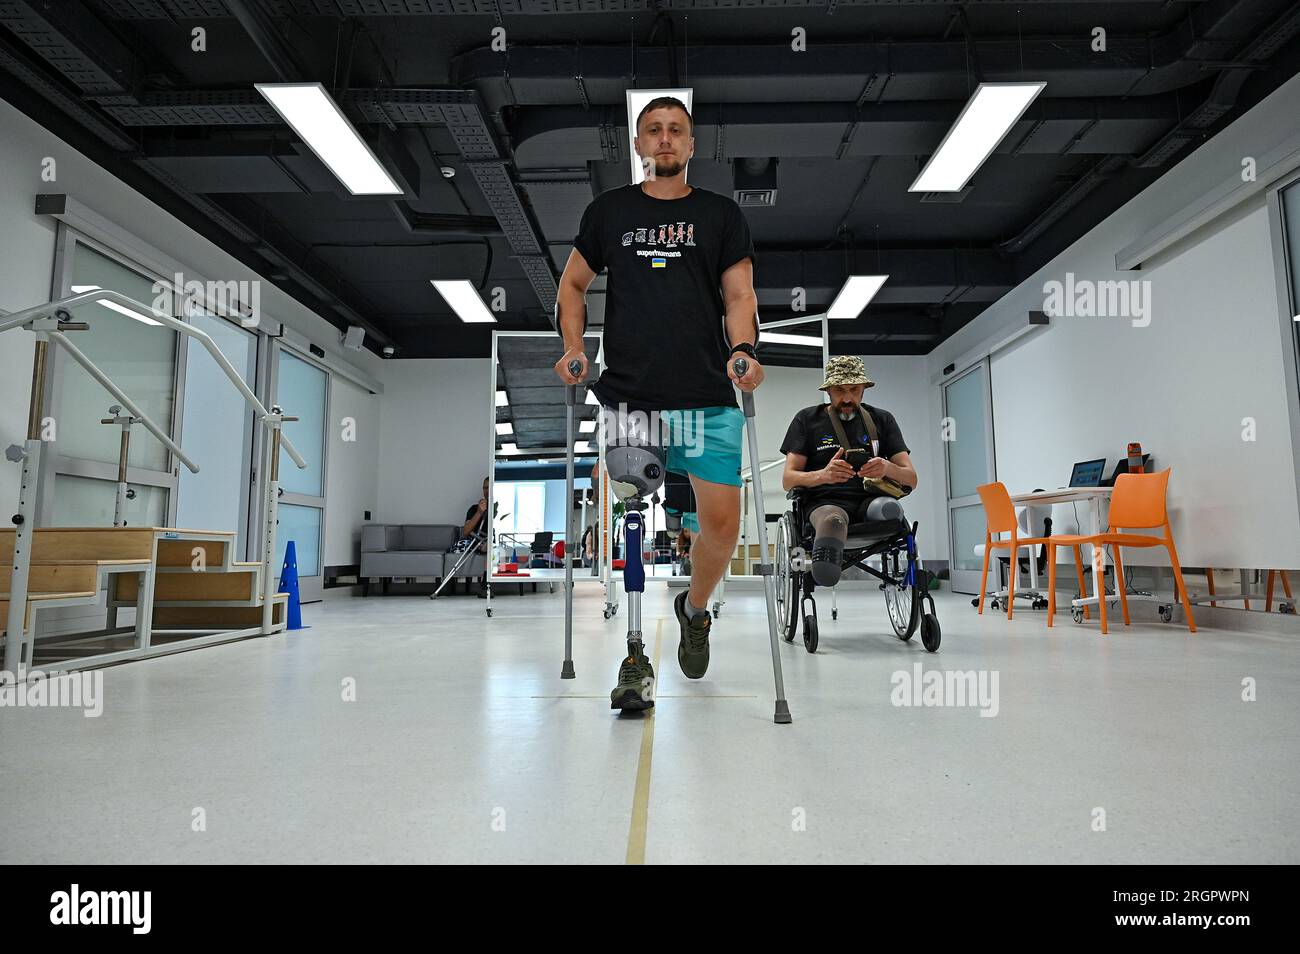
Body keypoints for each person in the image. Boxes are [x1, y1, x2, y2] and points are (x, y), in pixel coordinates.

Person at [552, 95, 762, 710]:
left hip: (702, 394)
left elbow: (739, 293)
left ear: (692, 145)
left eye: (676, 130)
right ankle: (635, 654)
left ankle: (695, 609)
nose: (665, 139)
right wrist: (573, 344)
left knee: (722, 525)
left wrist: (744, 347)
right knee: (632, 518)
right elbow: (572, 283)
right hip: (631, 396)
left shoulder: (721, 215)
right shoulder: (609, 211)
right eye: (653, 131)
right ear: (638, 145)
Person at [780, 356, 918, 586]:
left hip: (871, 503)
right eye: (839, 390)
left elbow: (911, 479)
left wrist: (886, 467)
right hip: (825, 503)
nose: (846, 398)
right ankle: (824, 567)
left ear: (864, 388)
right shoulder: (807, 419)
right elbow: (788, 479)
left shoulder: (882, 420)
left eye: (854, 390)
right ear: (828, 391)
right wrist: (823, 475)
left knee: (891, 510)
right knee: (834, 518)